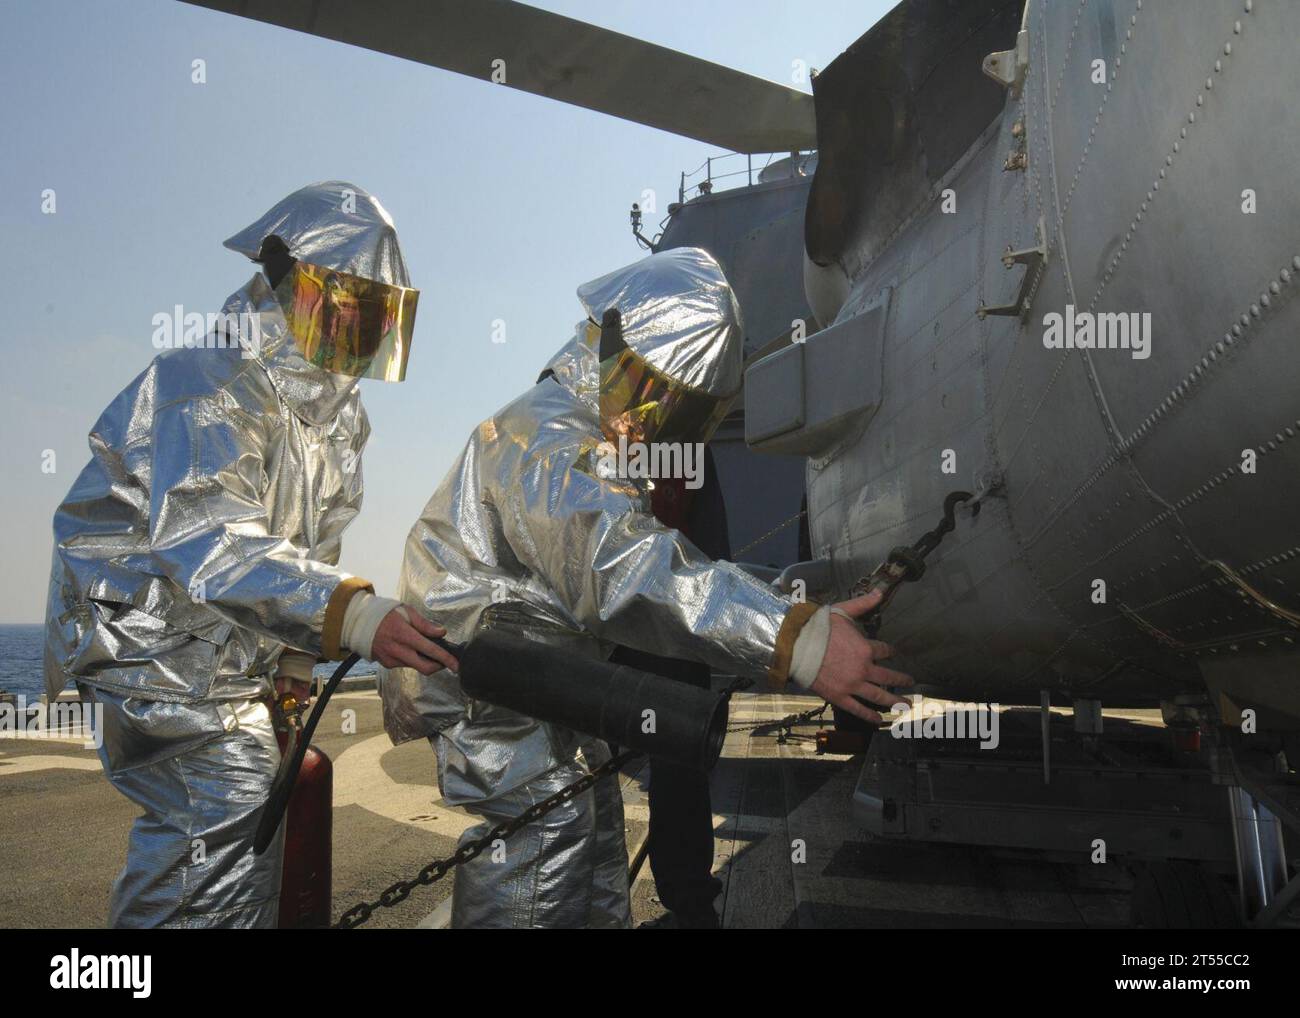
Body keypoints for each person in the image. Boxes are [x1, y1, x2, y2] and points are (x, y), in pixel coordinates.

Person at [380, 247, 906, 928]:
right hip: (493, 691)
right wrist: (795, 640)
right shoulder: (550, 440)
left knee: (593, 839)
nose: (660, 431)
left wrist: (798, 609)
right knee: (545, 838)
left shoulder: (582, 433)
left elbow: (669, 560)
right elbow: (622, 571)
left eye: (684, 418)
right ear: (616, 349)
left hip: (545, 683)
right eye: (662, 401)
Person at [43, 181, 456, 929]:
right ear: (297, 288)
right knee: (224, 807)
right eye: (354, 311)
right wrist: (357, 618)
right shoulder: (209, 380)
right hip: (148, 642)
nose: (364, 337)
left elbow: (316, 538)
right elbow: (209, 537)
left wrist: (293, 668)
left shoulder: (337, 420)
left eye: (378, 319)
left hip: (223, 651)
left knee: (240, 818)